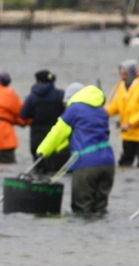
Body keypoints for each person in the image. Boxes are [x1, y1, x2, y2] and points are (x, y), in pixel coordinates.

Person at [36, 82, 116, 215]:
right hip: (108, 163)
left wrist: (43, 151)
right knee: (100, 210)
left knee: (81, 211)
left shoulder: (75, 109)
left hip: (86, 165)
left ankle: (81, 236)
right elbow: (76, 136)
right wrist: (58, 149)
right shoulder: (101, 111)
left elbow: (59, 132)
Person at [106, 59, 139, 166]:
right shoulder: (121, 86)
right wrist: (102, 113)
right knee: (125, 163)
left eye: (124, 74)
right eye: (121, 73)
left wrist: (130, 123)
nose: (122, 76)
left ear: (131, 73)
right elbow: (116, 105)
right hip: (128, 134)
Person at [21, 69, 67, 174]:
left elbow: (23, 114)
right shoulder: (60, 95)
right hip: (56, 136)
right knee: (55, 169)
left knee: (39, 168)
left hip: (36, 136)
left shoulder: (32, 97)